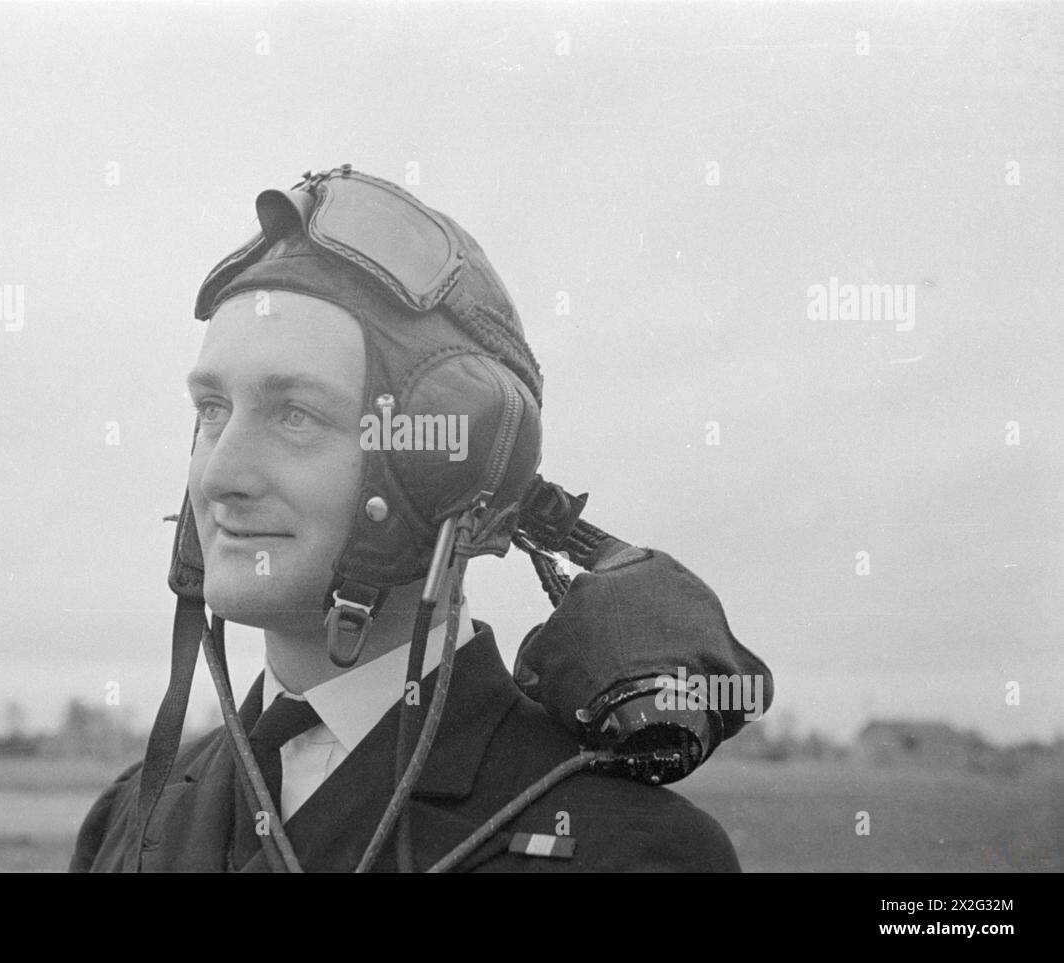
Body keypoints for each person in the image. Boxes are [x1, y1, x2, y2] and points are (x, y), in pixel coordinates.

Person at [70, 167, 771, 872]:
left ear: (453, 474)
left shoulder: (622, 850)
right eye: (213, 410)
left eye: (296, 415)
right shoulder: (132, 819)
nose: (220, 475)